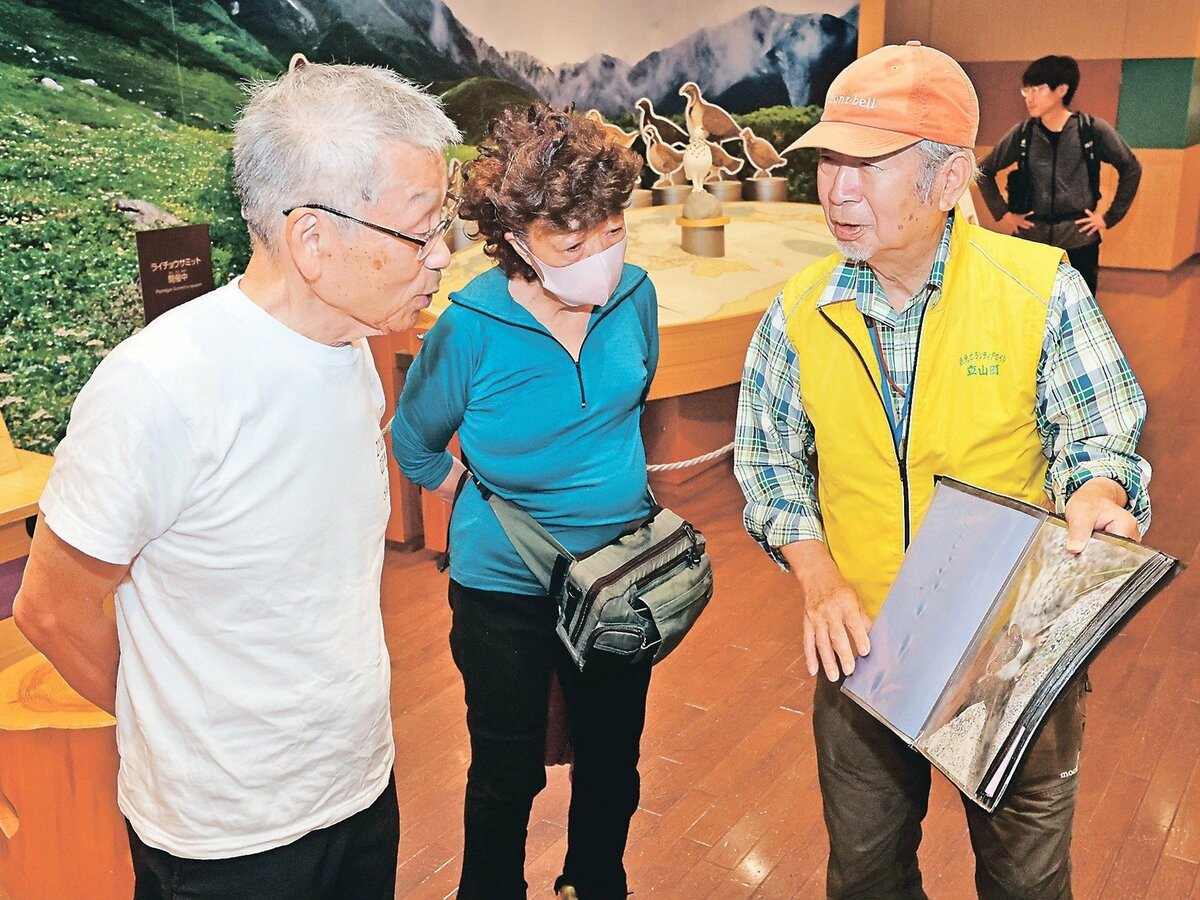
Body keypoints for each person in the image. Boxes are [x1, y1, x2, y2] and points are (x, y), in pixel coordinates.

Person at [13, 59, 460, 897]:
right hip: (225, 838)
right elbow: (50, 608)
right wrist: (179, 729)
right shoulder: (161, 386)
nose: (441, 255)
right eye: (421, 230)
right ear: (312, 241)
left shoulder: (350, 349)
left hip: (360, 782)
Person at [739, 42, 1150, 899]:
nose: (838, 190)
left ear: (949, 174)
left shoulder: (1039, 287)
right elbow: (770, 462)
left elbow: (1098, 435)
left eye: (870, 164)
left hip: (1009, 644)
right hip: (863, 643)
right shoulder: (797, 310)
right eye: (829, 162)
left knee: (1026, 881)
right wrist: (817, 578)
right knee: (865, 874)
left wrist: (1101, 493)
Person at [391, 104, 656, 900]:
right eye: (571, 244)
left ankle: (595, 882)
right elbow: (413, 443)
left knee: (614, 757)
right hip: (504, 589)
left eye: (612, 232)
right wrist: (475, 494)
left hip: (619, 574)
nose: (599, 261)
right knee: (506, 768)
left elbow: (629, 401)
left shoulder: (637, 295)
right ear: (515, 240)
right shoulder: (469, 328)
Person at [978, 54, 1142, 295]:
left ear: (1062, 90)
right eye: (1026, 89)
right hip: (1031, 242)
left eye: (1038, 89)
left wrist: (1108, 218)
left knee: (1077, 316)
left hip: (1079, 241)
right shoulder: (1023, 133)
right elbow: (983, 171)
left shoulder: (1090, 130)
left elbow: (1131, 167)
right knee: (1030, 314)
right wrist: (1004, 215)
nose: (1029, 97)